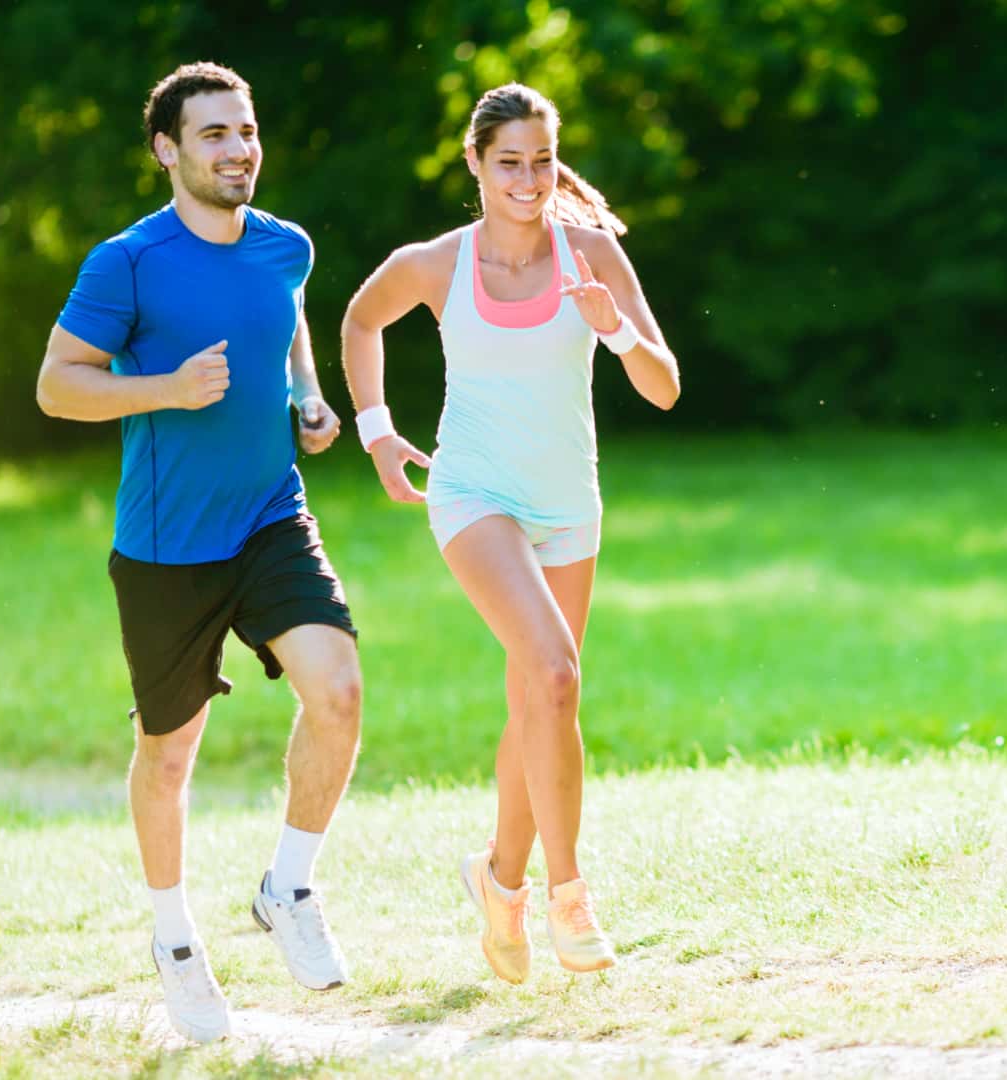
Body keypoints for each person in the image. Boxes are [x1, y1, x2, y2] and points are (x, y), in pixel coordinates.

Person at [34, 62, 361, 1043]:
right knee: (168, 756)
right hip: (167, 548)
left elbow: (288, 315)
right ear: (168, 150)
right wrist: (164, 390)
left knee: (338, 690)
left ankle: (288, 888)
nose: (237, 150)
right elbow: (58, 384)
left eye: (246, 130)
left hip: (270, 515)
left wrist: (307, 393)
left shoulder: (285, 248)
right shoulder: (125, 263)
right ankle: (175, 940)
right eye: (214, 134)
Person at [341, 82, 679, 981]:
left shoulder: (594, 256)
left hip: (569, 501)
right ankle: (567, 899)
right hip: (474, 493)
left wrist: (616, 335)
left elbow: (664, 386)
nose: (527, 179)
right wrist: (376, 432)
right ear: (476, 165)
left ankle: (497, 882)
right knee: (557, 669)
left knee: (539, 696)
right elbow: (360, 319)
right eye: (508, 163)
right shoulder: (438, 263)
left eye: (541, 161)